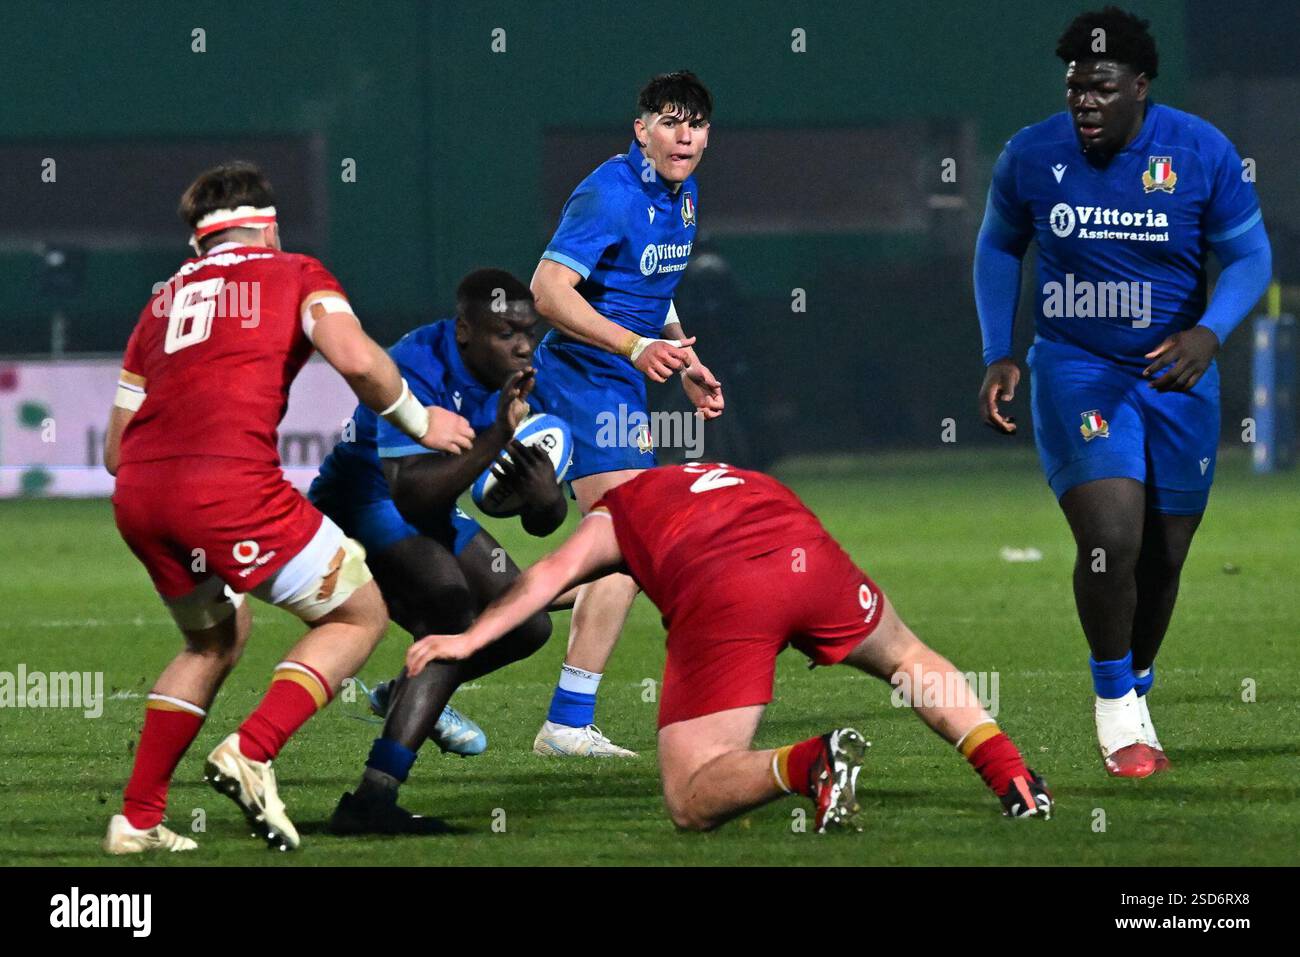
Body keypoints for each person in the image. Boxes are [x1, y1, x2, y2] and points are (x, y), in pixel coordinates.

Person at [102, 161, 475, 854]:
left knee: (213, 640)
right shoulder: (294, 272)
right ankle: (254, 747)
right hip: (228, 488)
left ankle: (137, 819)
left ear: (199, 244)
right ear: (267, 227)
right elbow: (358, 361)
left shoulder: (157, 307)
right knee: (359, 611)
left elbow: (115, 450)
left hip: (141, 498)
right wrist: (424, 423)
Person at [406, 464, 1053, 831]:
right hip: (806, 553)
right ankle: (1015, 776)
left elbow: (546, 578)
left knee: (690, 793)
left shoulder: (615, 510)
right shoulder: (707, 472)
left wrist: (468, 637)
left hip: (730, 591)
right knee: (907, 656)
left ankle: (808, 765)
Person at [974, 7, 1272, 777]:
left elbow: (1248, 258)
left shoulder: (1201, 151)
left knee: (1166, 555)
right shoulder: (1032, 154)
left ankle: (1136, 686)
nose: (1084, 102)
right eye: (1076, 88)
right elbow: (999, 243)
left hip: (1176, 374)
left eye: (1102, 88)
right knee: (1112, 537)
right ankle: (1115, 713)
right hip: (1076, 366)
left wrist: (1210, 332)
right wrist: (999, 351)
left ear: (1141, 86)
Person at [309, 269, 570, 833]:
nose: (523, 345)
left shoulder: (529, 373)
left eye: (529, 331)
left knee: (526, 625)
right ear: (465, 331)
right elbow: (410, 490)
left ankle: (410, 692)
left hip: (431, 506)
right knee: (450, 607)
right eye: (506, 333)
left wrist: (545, 499)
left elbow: (544, 517)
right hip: (362, 498)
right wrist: (496, 439)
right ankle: (373, 799)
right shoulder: (417, 363)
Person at [528, 70, 725, 756]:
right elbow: (548, 292)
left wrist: (682, 356)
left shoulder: (685, 194)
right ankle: (567, 722)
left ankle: (472, 606)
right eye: (670, 122)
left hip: (622, 380)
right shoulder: (609, 192)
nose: (685, 136)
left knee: (613, 554)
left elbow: (649, 287)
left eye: (696, 124)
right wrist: (634, 345)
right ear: (640, 129)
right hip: (584, 376)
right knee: (626, 546)